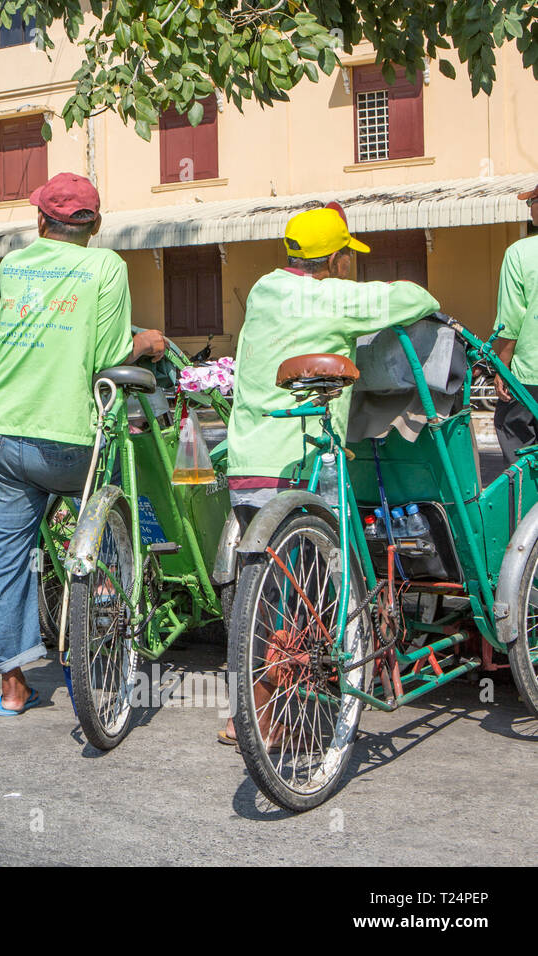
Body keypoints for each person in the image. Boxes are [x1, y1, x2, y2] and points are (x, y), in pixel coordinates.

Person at [218, 205, 440, 745]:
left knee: (266, 596)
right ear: (339, 259)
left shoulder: (265, 291)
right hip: (303, 462)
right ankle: (278, 717)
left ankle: (245, 713)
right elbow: (417, 298)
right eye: (349, 257)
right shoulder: (336, 297)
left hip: (249, 462)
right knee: (308, 597)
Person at [0, 172, 166, 717]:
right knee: (108, 520)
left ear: (40, 220)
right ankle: (105, 623)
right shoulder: (106, 265)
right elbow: (109, 352)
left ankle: (13, 686)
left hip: (1, 432)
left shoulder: (13, 265)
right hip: (69, 439)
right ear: (96, 225)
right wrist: (148, 343)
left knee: (7, 558)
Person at [489, 181, 538, 463]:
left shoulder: (519, 253)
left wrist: (501, 369)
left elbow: (510, 320)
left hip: (529, 377)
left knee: (518, 446)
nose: (530, 209)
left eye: (531, 202)